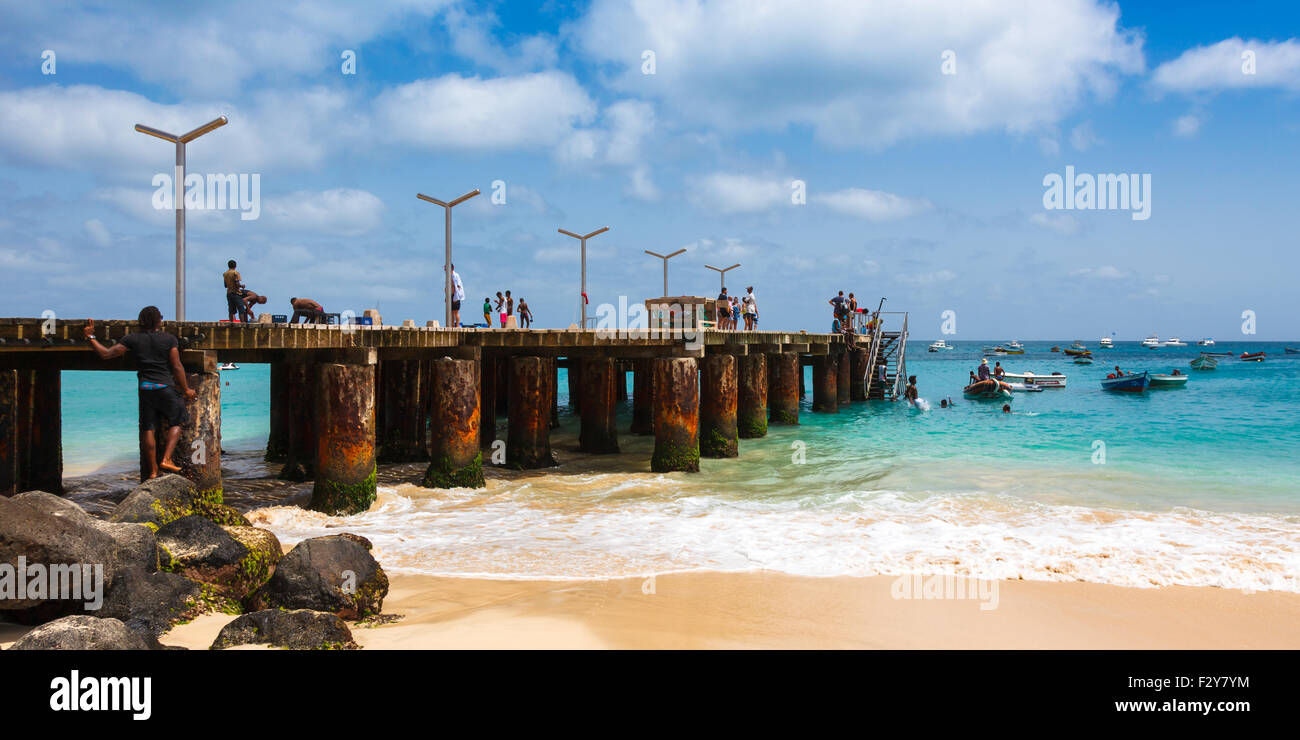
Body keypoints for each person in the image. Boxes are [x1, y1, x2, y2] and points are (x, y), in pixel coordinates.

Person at [83, 308, 196, 479]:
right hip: (165, 387)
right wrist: (186, 389)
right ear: (159, 321)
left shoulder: (132, 339)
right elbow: (176, 366)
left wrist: (90, 336)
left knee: (148, 428)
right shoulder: (169, 339)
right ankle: (166, 459)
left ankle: (152, 471)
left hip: (145, 389)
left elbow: (105, 354)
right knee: (178, 420)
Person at [449, 264, 465, 328]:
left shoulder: (455, 275)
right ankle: (452, 325)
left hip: (455, 296)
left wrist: (456, 296)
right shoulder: (449, 276)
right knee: (451, 313)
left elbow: (457, 286)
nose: (444, 269)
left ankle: (457, 326)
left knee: (455, 312)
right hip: (451, 295)